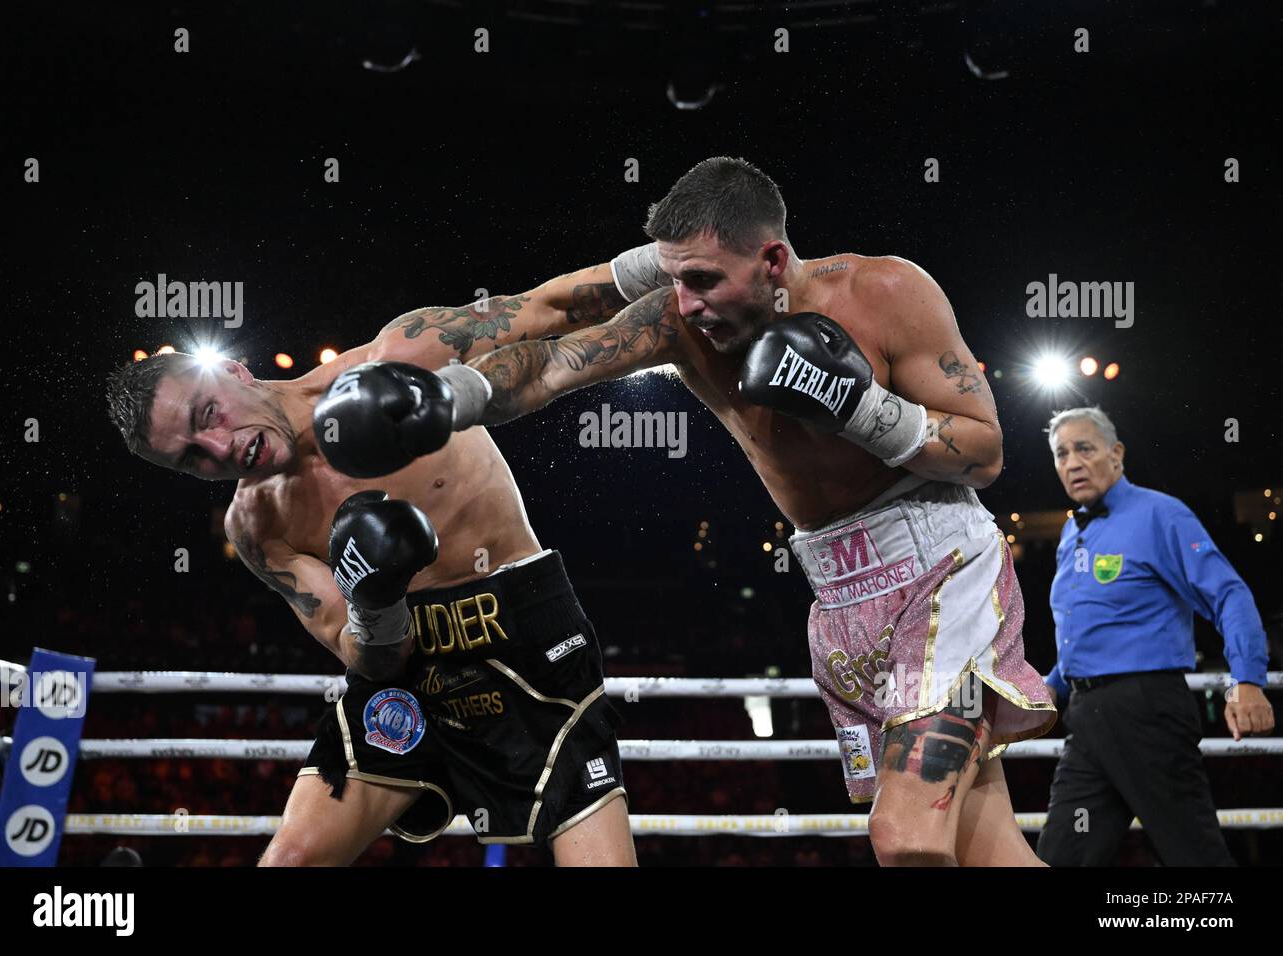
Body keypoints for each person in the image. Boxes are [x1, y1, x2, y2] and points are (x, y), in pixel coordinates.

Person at [402, 157, 1059, 866]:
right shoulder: (676, 326)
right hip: (839, 591)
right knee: (986, 844)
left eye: (704, 280)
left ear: (773, 259)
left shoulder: (884, 292)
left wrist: (861, 408)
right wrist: (448, 397)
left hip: (942, 571)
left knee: (907, 840)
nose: (683, 302)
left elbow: (985, 454)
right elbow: (554, 365)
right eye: (675, 279)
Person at [105, 255, 657, 866]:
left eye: (207, 415)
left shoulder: (396, 356)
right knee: (291, 861)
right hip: (410, 679)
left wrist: (674, 264)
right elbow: (360, 651)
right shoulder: (257, 525)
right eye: (192, 459)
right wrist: (375, 601)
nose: (218, 448)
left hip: (526, 634)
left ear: (234, 369)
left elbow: (548, 307)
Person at [1035, 406, 1274, 865]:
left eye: (1084, 448)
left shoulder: (1160, 515)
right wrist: (1046, 692)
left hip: (1146, 708)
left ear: (1116, 453)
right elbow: (1088, 631)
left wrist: (1247, 679)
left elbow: (1228, 594)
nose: (1072, 462)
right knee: (1064, 854)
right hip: (1087, 717)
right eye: (1061, 453)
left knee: (1194, 855)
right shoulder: (1072, 531)